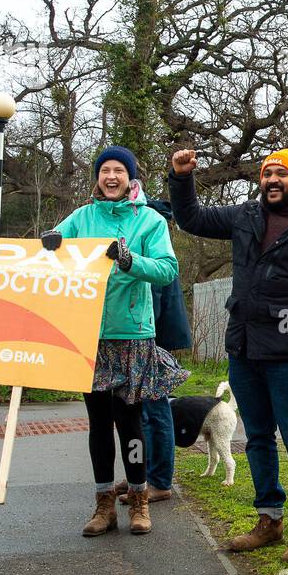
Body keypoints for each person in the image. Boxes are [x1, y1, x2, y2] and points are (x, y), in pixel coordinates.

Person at [168, 145, 288, 562]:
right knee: (258, 439)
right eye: (267, 174)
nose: (272, 180)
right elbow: (192, 217)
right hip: (245, 348)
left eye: (281, 175)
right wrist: (181, 178)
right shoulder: (246, 216)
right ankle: (269, 519)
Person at [41, 146, 190, 537]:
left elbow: (166, 269)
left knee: (130, 423)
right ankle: (103, 503)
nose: (111, 177)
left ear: (131, 178)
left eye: (118, 171)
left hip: (132, 335)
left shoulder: (150, 221)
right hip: (88, 334)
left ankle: (139, 501)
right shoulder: (82, 216)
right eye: (105, 170)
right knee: (97, 424)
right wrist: (49, 245)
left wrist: (130, 261)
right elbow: (53, 256)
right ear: (97, 177)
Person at [113, 198, 192, 506]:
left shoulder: (148, 222)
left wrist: (147, 339)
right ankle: (142, 475)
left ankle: (158, 480)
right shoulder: (141, 220)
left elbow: (156, 287)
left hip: (150, 336)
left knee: (154, 412)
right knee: (142, 413)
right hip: (146, 335)